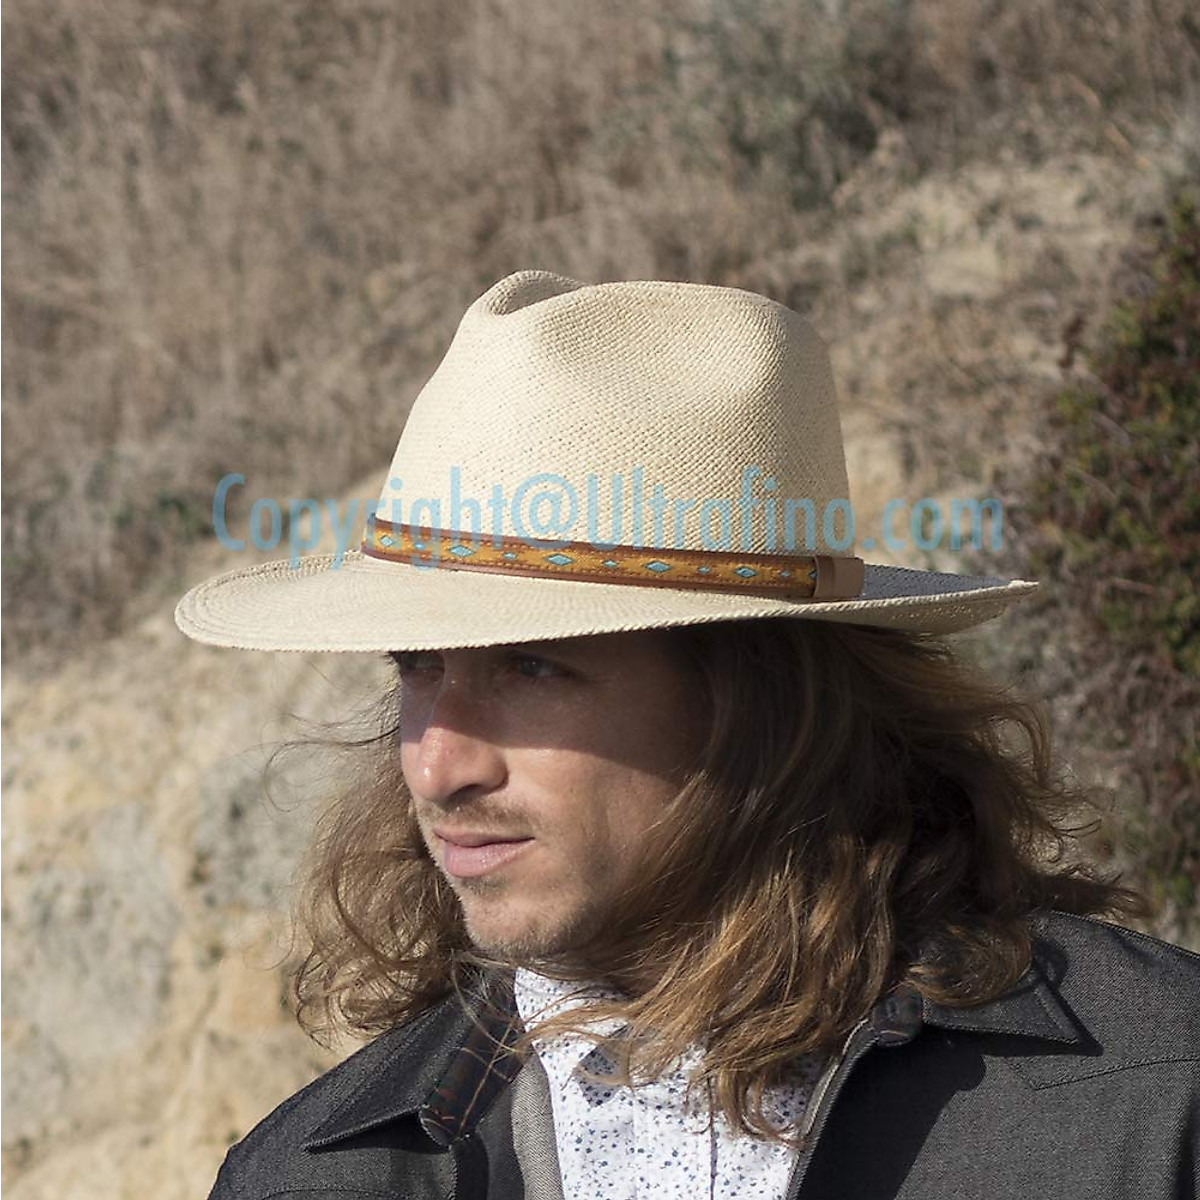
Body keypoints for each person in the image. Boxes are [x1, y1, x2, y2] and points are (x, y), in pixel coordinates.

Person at [177, 271, 1200, 1200]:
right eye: (416, 665)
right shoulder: (317, 1178)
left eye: (533, 667)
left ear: (764, 702)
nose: (439, 766)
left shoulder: (1154, 1099)